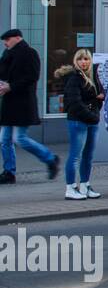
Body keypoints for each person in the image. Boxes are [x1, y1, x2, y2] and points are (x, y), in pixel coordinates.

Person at [0, 29, 59, 184]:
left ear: (18, 38)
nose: (5, 43)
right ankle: (9, 172)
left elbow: (32, 77)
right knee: (4, 139)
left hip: (23, 104)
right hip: (9, 104)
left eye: (7, 39)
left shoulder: (29, 53)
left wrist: (10, 87)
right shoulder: (7, 54)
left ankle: (51, 159)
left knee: (19, 138)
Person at [54, 49, 103, 200]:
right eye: (80, 59)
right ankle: (70, 187)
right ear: (76, 61)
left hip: (91, 120)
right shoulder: (74, 78)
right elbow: (74, 103)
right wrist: (92, 114)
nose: (84, 62)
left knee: (88, 155)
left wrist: (97, 101)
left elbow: (99, 95)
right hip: (78, 121)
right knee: (75, 155)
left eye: (86, 59)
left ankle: (85, 185)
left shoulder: (93, 75)